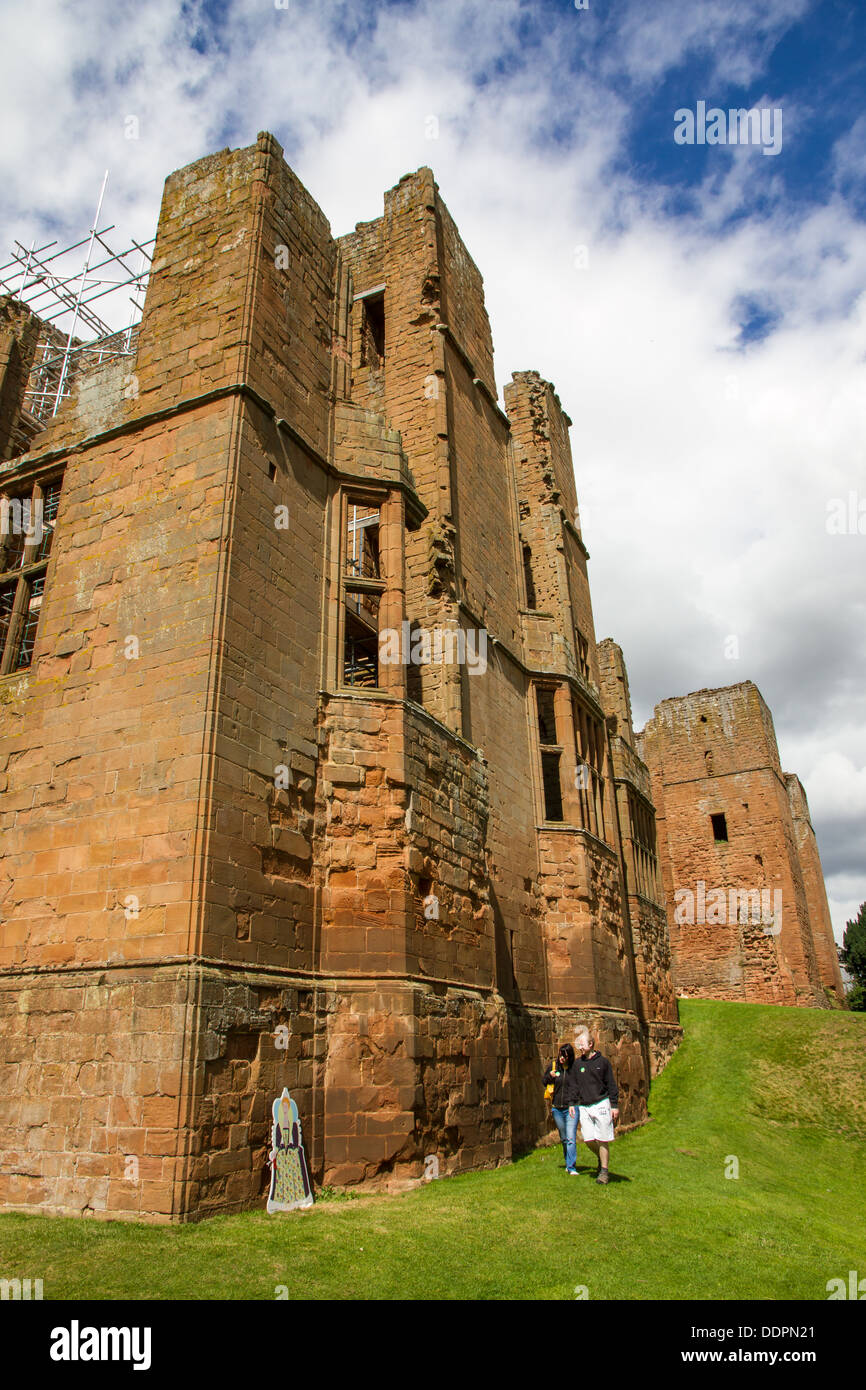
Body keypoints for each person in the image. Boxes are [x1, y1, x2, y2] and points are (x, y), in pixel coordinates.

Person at [573, 1026, 619, 1185]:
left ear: (591, 1044)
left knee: (603, 1138)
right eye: (578, 1044)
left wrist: (614, 1105)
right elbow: (574, 1085)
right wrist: (573, 1103)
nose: (579, 1047)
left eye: (582, 1044)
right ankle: (601, 1157)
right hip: (584, 1105)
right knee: (588, 1139)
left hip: (601, 1102)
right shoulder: (577, 1064)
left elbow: (611, 1085)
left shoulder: (603, 1062)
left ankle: (604, 1172)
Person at [543, 1043, 581, 1175]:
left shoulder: (574, 1069)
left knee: (571, 1137)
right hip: (557, 1108)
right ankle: (568, 1161)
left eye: (564, 1056)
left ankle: (571, 1167)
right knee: (564, 1137)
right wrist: (550, 1076)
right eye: (560, 1055)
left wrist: (572, 1103)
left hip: (571, 1107)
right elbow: (544, 1081)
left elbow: (576, 1088)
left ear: (569, 1056)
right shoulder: (554, 1066)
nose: (561, 1058)